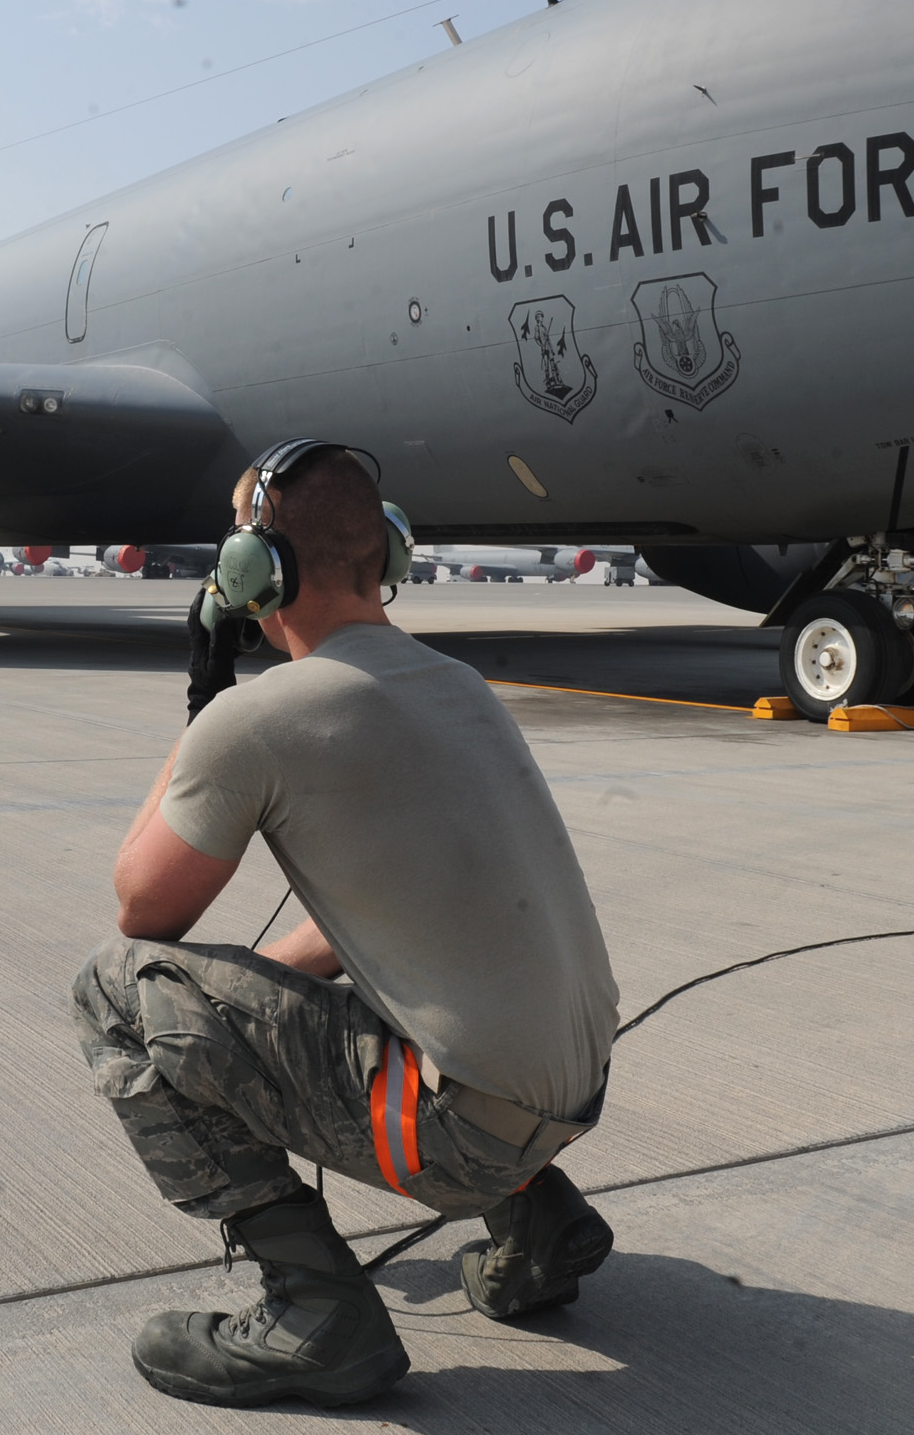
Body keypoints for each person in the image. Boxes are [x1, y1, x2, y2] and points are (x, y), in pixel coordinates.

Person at [70, 442, 620, 1408]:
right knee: (391, 993)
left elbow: (142, 909)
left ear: (254, 575)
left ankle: (317, 1308)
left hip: (461, 1131)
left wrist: (206, 703)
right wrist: (259, 996)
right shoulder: (458, 687)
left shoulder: (259, 720)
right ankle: (538, 1219)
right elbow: (395, 919)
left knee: (115, 991)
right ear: (388, 557)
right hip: (569, 1096)